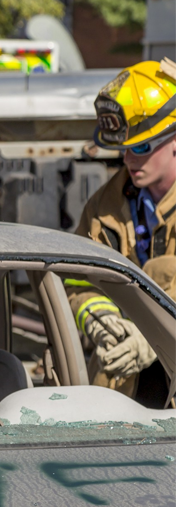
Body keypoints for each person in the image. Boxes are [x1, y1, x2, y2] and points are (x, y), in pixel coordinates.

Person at [68, 57, 176, 397]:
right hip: (121, 399)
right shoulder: (104, 207)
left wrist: (153, 339)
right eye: (124, 149)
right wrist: (100, 322)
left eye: (141, 147)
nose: (129, 160)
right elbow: (75, 279)